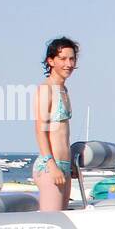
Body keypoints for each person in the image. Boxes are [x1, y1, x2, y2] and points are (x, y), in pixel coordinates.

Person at [33, 37, 78, 211]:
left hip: (64, 166)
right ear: (51, 61)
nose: (69, 64)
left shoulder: (63, 89)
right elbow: (40, 131)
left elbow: (63, 133)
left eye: (72, 59)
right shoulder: (46, 90)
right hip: (50, 166)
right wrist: (51, 165)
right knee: (51, 223)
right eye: (63, 59)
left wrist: (70, 164)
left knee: (63, 221)